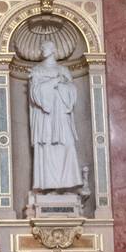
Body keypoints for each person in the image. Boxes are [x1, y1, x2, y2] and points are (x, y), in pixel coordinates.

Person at [28, 39, 82, 190]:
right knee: (46, 147)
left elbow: (72, 90)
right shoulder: (37, 70)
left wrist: (60, 85)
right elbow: (35, 94)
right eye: (41, 47)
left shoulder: (63, 70)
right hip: (45, 117)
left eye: (44, 47)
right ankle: (47, 186)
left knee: (68, 144)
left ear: (52, 49)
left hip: (61, 114)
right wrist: (54, 82)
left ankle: (67, 185)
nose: (41, 50)